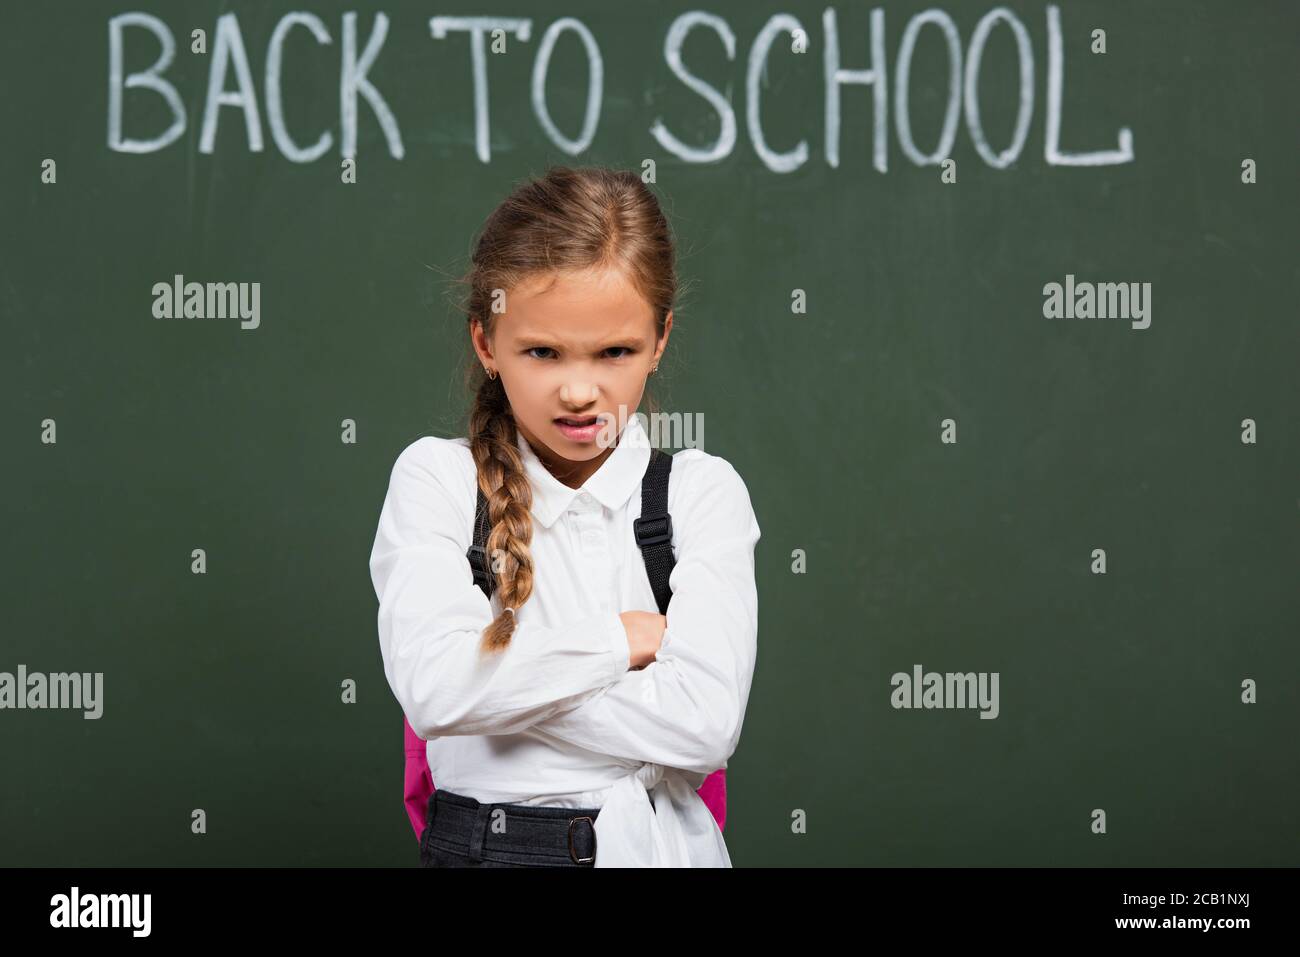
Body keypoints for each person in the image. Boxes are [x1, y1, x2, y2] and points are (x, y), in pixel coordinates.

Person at [368, 165, 760, 867]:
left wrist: (493, 700)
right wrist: (619, 642)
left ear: (661, 338)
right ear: (487, 343)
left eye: (615, 351)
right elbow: (434, 691)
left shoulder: (702, 494)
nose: (580, 391)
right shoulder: (437, 479)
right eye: (542, 351)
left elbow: (704, 725)